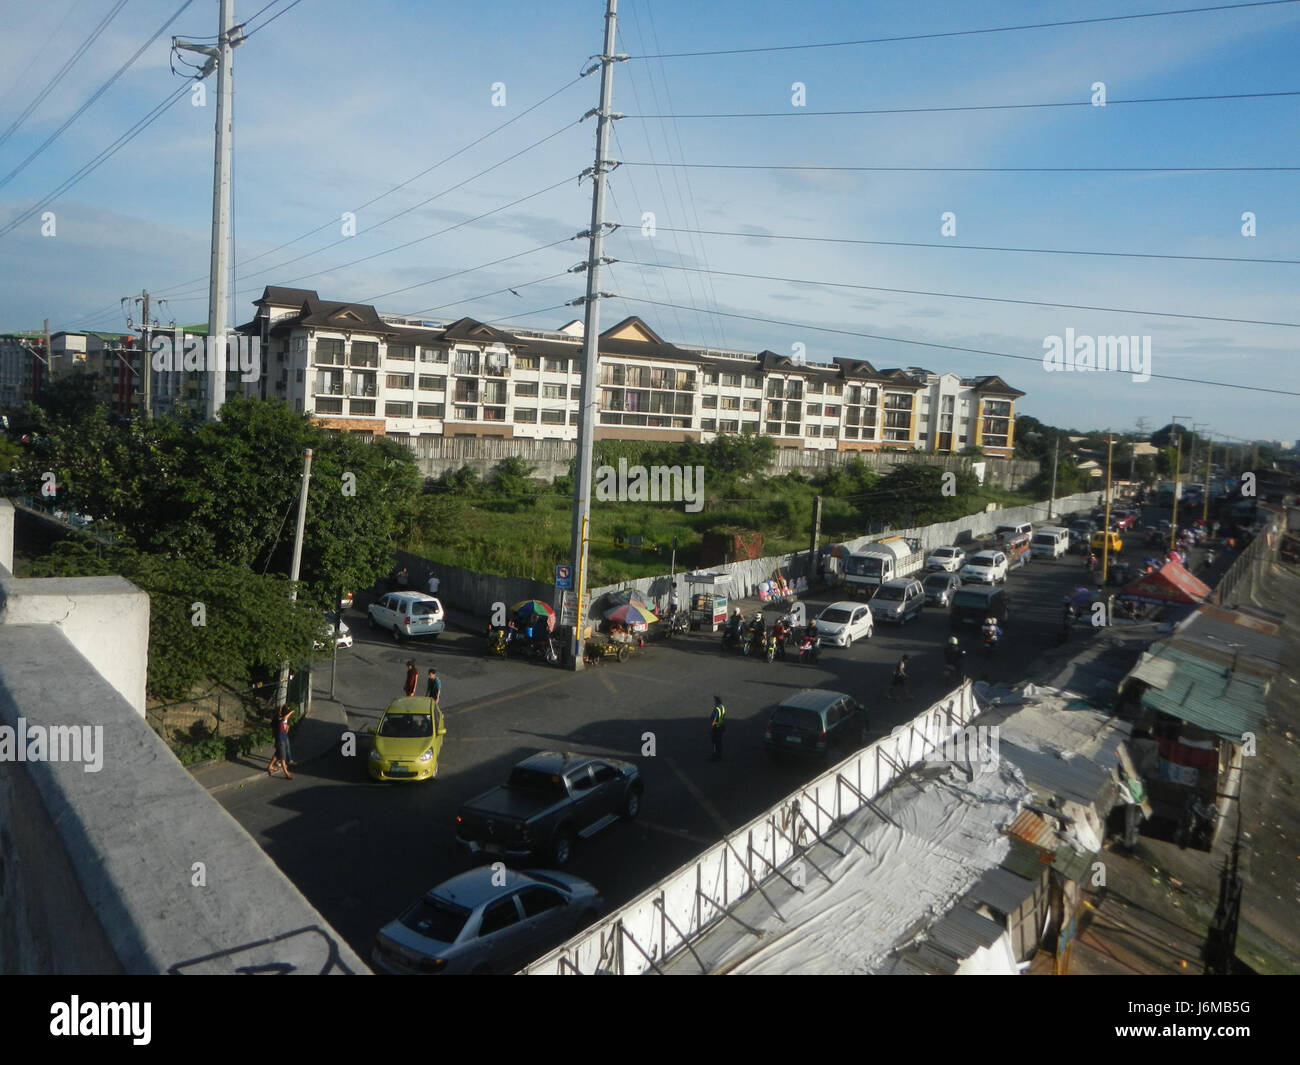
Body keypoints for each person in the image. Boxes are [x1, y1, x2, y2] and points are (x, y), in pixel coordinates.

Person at [267, 705, 295, 778]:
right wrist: (291, 713)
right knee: (283, 757)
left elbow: (286, 726)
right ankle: (286, 773)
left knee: (277, 754)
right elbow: (284, 718)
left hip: (282, 739)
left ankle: (270, 766)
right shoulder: (278, 719)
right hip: (280, 740)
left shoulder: (280, 718)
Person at [709, 696, 726, 761]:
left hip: (716, 726)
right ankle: (719, 755)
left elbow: (714, 718)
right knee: (719, 741)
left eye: (715, 700)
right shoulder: (723, 707)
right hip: (721, 725)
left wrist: (712, 727)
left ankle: (715, 756)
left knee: (714, 741)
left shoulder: (717, 709)